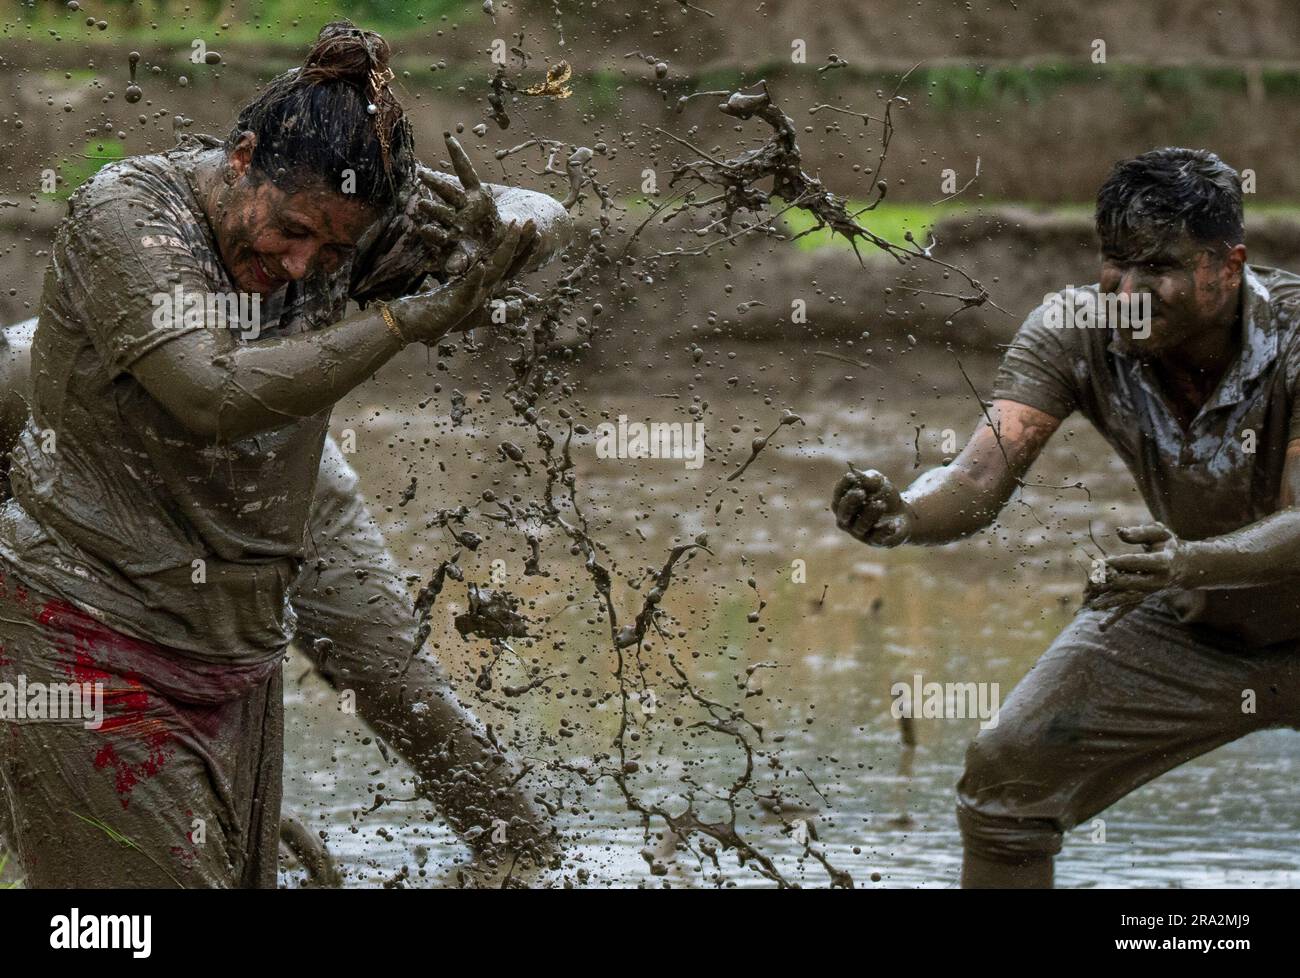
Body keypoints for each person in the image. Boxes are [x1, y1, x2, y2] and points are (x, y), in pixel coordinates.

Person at [0, 21, 571, 887]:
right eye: (294, 232)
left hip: (267, 540)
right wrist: (401, 319)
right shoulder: (130, 223)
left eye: (333, 252)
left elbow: (533, 208)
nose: (306, 267)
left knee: (397, 683)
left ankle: (519, 854)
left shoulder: (340, 218)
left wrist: (509, 229)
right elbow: (212, 393)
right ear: (241, 159)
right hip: (98, 607)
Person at [832, 147, 1300, 888]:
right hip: (1197, 623)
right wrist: (906, 513)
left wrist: (1187, 560)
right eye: (1116, 262)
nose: (1130, 290)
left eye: (1161, 267)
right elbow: (978, 476)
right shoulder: (1076, 328)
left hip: (1198, 578)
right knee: (1008, 775)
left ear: (1228, 265)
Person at [0, 319, 552, 884]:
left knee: (386, 671)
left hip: (279, 480)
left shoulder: (39, 365)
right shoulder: (18, 403)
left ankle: (517, 846)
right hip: (111, 535)